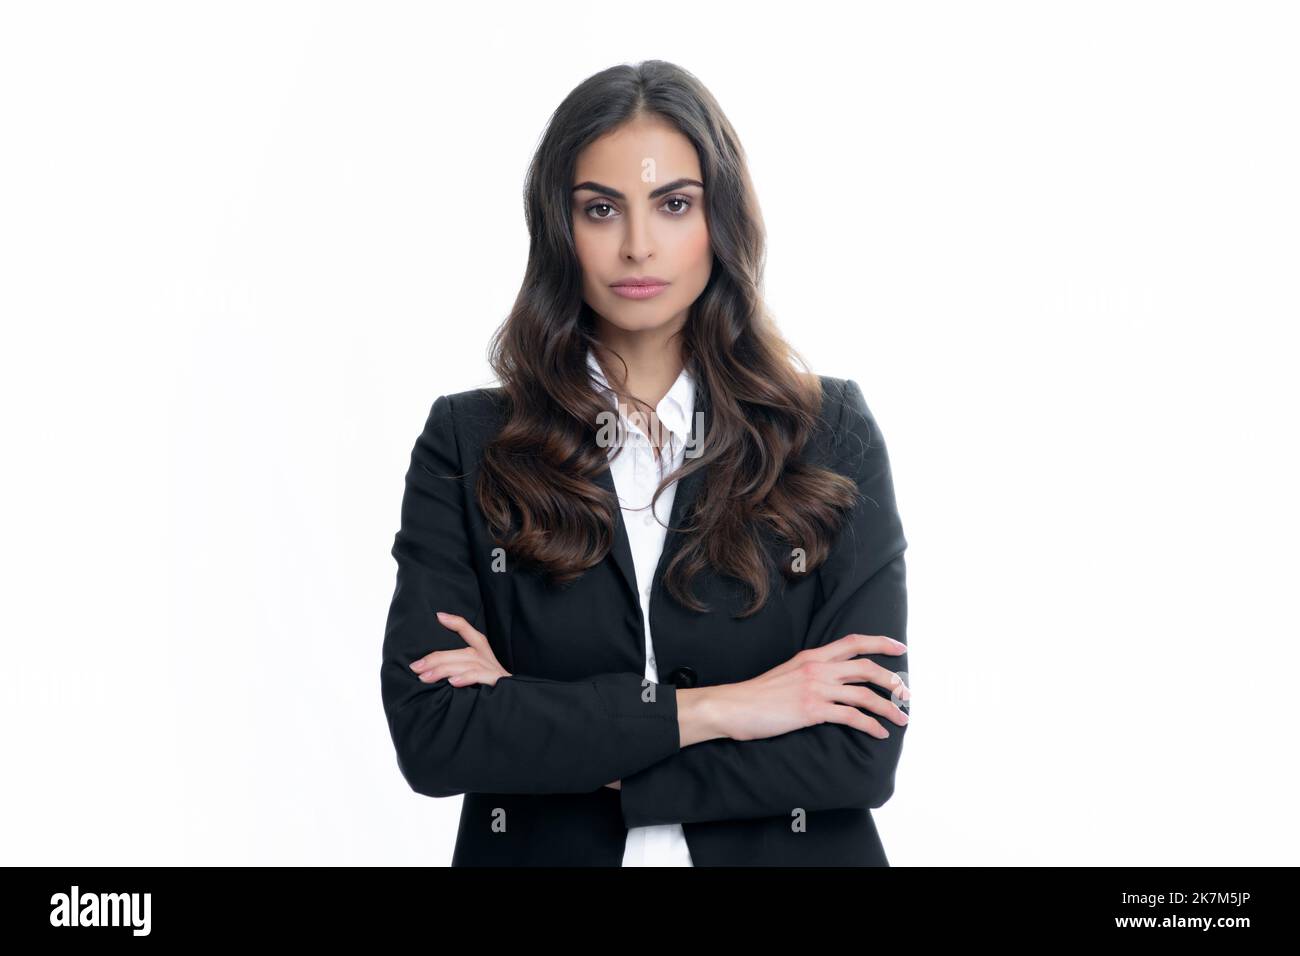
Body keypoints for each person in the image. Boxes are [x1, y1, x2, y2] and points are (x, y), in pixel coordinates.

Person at [381, 60, 911, 866]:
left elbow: (859, 753)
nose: (637, 245)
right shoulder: (470, 443)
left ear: (720, 218)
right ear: (560, 228)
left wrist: (550, 727)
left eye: (674, 204)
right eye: (601, 209)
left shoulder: (826, 430)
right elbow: (439, 736)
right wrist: (725, 709)